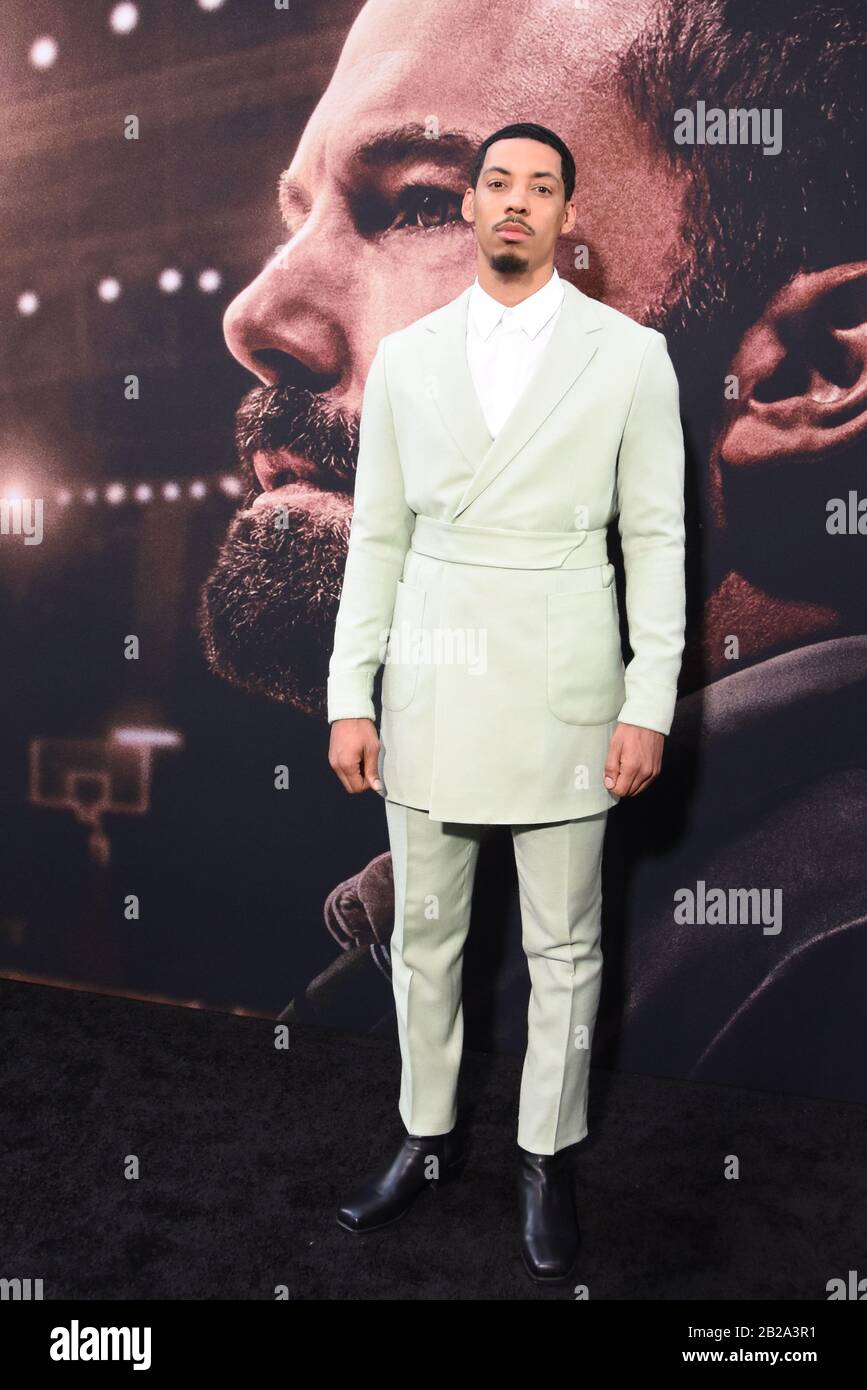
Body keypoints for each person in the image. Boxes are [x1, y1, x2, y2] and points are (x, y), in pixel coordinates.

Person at [326, 120, 686, 1284]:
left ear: (568, 215)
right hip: (431, 676)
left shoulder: (631, 357)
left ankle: (547, 1158)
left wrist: (651, 700)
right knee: (427, 936)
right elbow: (376, 535)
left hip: (567, 683)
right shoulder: (408, 357)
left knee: (565, 946)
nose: (518, 203)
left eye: (542, 186)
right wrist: (350, 692)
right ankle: (426, 1135)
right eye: (497, 184)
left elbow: (659, 542)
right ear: (475, 207)